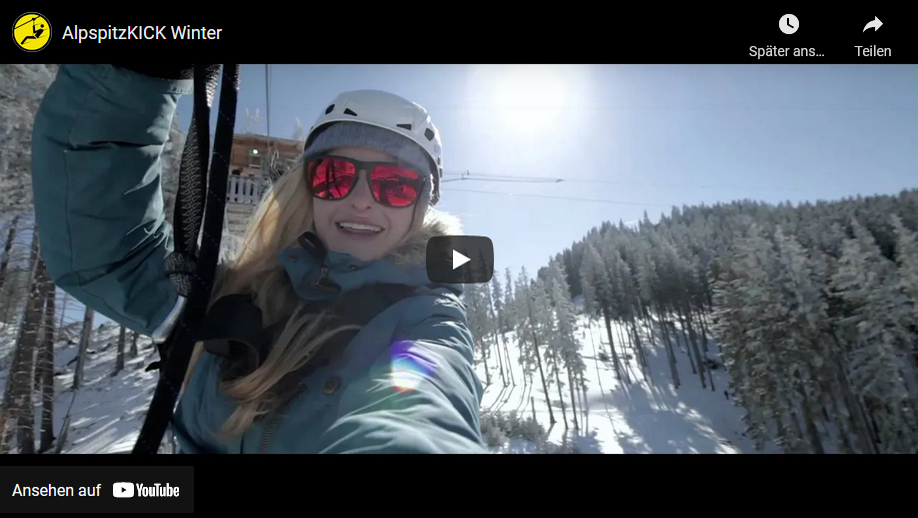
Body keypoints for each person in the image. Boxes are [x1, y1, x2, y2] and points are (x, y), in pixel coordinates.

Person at [31, 64, 487, 453]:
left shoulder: (425, 319)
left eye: (395, 185)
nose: (363, 200)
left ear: (420, 206)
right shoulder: (234, 294)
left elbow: (423, 408)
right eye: (336, 176)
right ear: (308, 189)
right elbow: (110, 252)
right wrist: (135, 78)